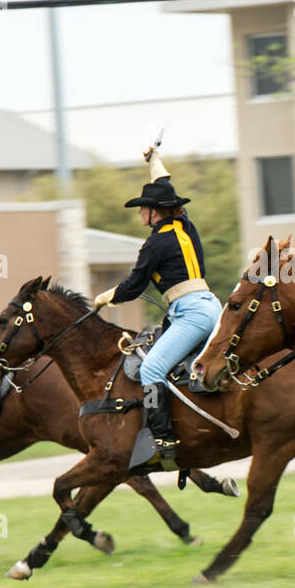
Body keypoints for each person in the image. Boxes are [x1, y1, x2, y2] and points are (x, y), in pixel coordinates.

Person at [93, 145, 221, 469]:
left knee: (150, 370)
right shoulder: (185, 226)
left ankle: (163, 441)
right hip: (211, 306)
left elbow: (135, 285)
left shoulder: (155, 243)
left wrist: (107, 297)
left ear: (155, 212)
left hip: (190, 314)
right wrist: (154, 162)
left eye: (143, 209)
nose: (140, 214)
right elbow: (167, 187)